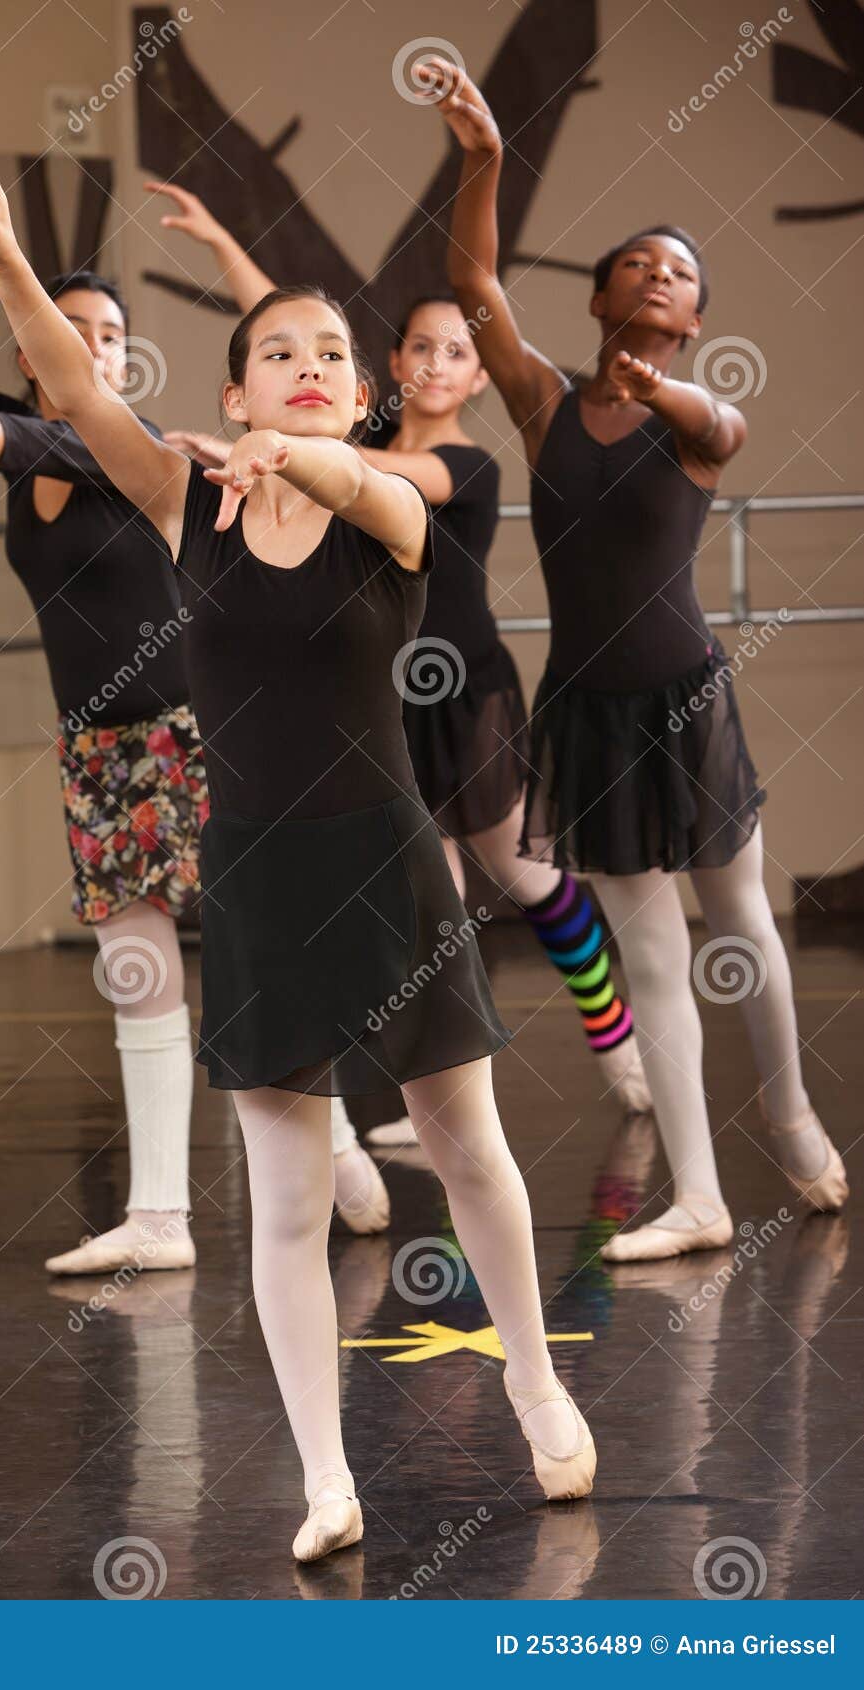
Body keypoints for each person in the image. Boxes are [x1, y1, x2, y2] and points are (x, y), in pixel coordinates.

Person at [0, 145, 598, 1559]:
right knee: (287, 1200)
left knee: (468, 1151)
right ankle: (325, 1477)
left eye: (329, 354)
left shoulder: (393, 506)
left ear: (358, 394)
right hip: (257, 881)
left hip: (388, 869)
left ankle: (535, 1383)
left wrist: (303, 457)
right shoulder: (186, 507)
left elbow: (362, 489)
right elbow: (79, 390)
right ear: (230, 392)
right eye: (275, 353)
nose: (305, 367)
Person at [0, 170, 388, 1271]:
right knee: (138, 971)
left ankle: (335, 1146)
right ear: (32, 343)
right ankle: (160, 1219)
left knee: (258, 949)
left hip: (196, 735)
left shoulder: (119, 444)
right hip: (97, 751)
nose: (91, 346)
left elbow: (25, 442)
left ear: (126, 363)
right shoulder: (11, 424)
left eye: (108, 335)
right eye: (71, 329)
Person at [425, 59, 848, 1261]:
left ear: (693, 318)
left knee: (739, 922)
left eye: (680, 272)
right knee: (650, 955)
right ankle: (698, 1195)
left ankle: (789, 1113)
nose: (660, 275)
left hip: (684, 701)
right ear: (600, 293)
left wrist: (660, 390)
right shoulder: (541, 401)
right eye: (639, 263)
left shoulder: (700, 416)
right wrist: (482, 160)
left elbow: (717, 426)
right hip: (587, 709)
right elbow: (469, 283)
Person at [149, 180, 651, 1147]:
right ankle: (429, 1085)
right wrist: (219, 240)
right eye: (419, 346)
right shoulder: (343, 425)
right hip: (372, 702)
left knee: (523, 876)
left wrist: (268, 447)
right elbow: (284, 336)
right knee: (435, 895)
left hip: (466, 695)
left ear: (475, 377)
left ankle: (613, 1035)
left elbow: (359, 472)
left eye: (456, 351)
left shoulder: (459, 466)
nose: (435, 363)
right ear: (389, 366)